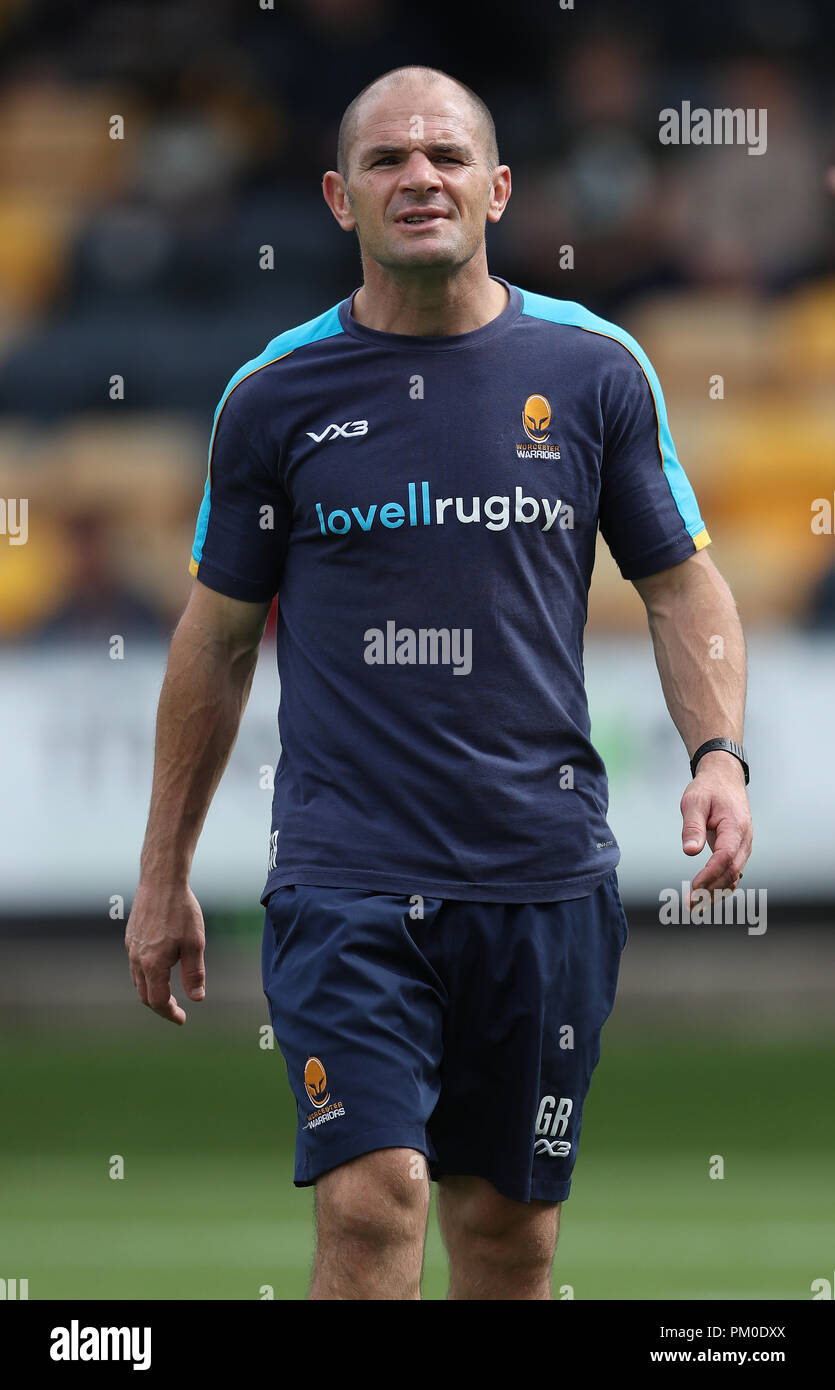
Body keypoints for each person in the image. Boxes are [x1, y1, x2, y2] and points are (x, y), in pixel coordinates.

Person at [126, 66, 752, 1300]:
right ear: (337, 196)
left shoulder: (595, 370)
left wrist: (719, 754)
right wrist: (162, 872)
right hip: (346, 870)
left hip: (541, 871)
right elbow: (217, 639)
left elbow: (681, 584)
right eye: (388, 160)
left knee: (509, 1238)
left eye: (449, 157)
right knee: (375, 1202)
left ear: (499, 188)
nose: (421, 178)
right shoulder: (272, 398)